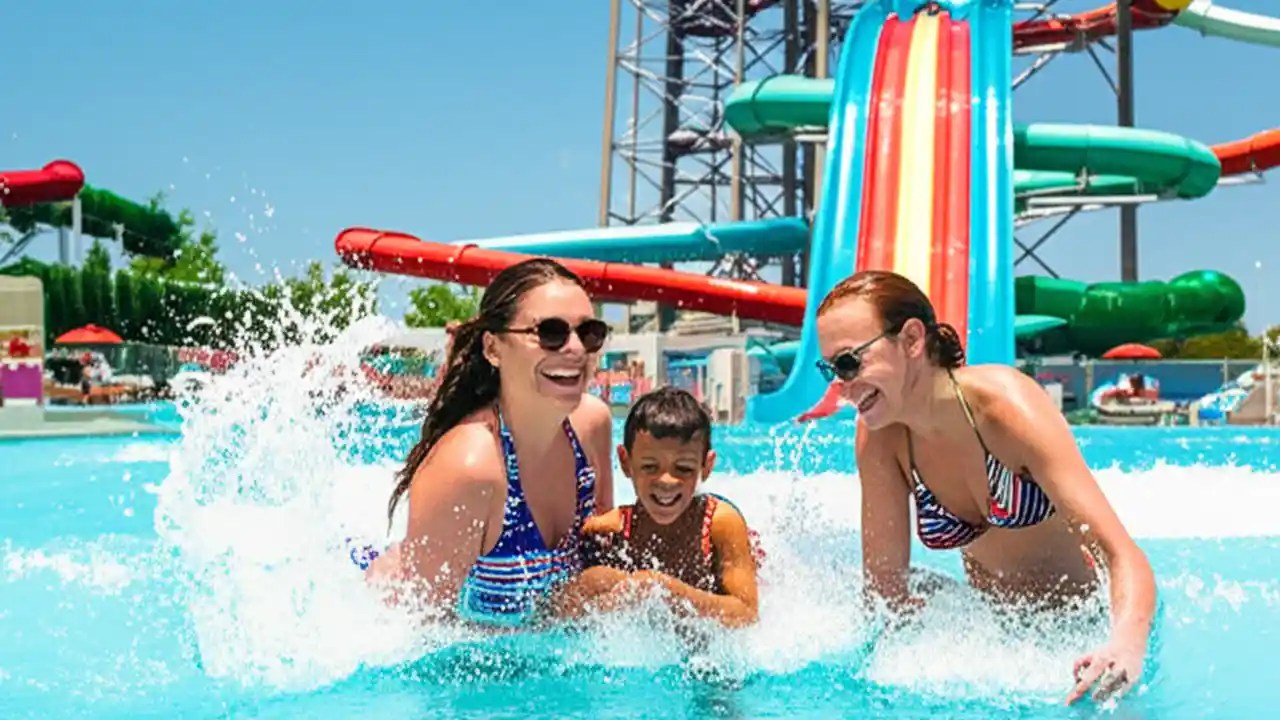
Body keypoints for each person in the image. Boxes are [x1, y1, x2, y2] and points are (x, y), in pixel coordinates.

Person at [813, 270, 1157, 706]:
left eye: (848, 363)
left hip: (1086, 627)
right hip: (999, 639)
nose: (840, 386)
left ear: (912, 340)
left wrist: (1125, 643)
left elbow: (1122, 554)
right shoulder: (880, 437)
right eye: (831, 369)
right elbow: (885, 592)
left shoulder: (1005, 409)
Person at [361, 258, 615, 628]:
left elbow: (602, 552)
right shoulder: (470, 466)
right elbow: (421, 634)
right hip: (390, 607)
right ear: (493, 349)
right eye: (551, 332)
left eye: (589, 332)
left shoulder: (592, 425)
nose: (576, 349)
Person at [554, 387, 761, 628]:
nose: (666, 481)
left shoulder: (720, 524)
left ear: (706, 466)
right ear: (626, 462)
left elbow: (746, 613)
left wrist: (664, 589)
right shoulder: (611, 530)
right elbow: (553, 613)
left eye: (683, 468)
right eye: (650, 467)